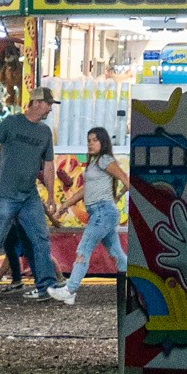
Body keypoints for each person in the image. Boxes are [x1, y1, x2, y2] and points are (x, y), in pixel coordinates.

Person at [0, 84, 60, 297]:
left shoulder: (45, 132)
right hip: (5, 194)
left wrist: (50, 195)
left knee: (40, 239)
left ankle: (46, 286)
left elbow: (48, 165)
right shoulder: (11, 123)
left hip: (28, 195)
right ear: (36, 103)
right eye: (48, 104)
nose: (50, 109)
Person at [56, 124, 126, 303]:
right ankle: (135, 284)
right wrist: (65, 205)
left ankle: (70, 290)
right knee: (117, 253)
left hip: (103, 211)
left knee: (83, 249)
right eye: (88, 140)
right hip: (101, 212)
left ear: (103, 142)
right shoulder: (94, 163)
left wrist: (117, 195)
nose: (90, 144)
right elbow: (85, 190)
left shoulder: (104, 160)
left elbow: (125, 179)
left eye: (95, 140)